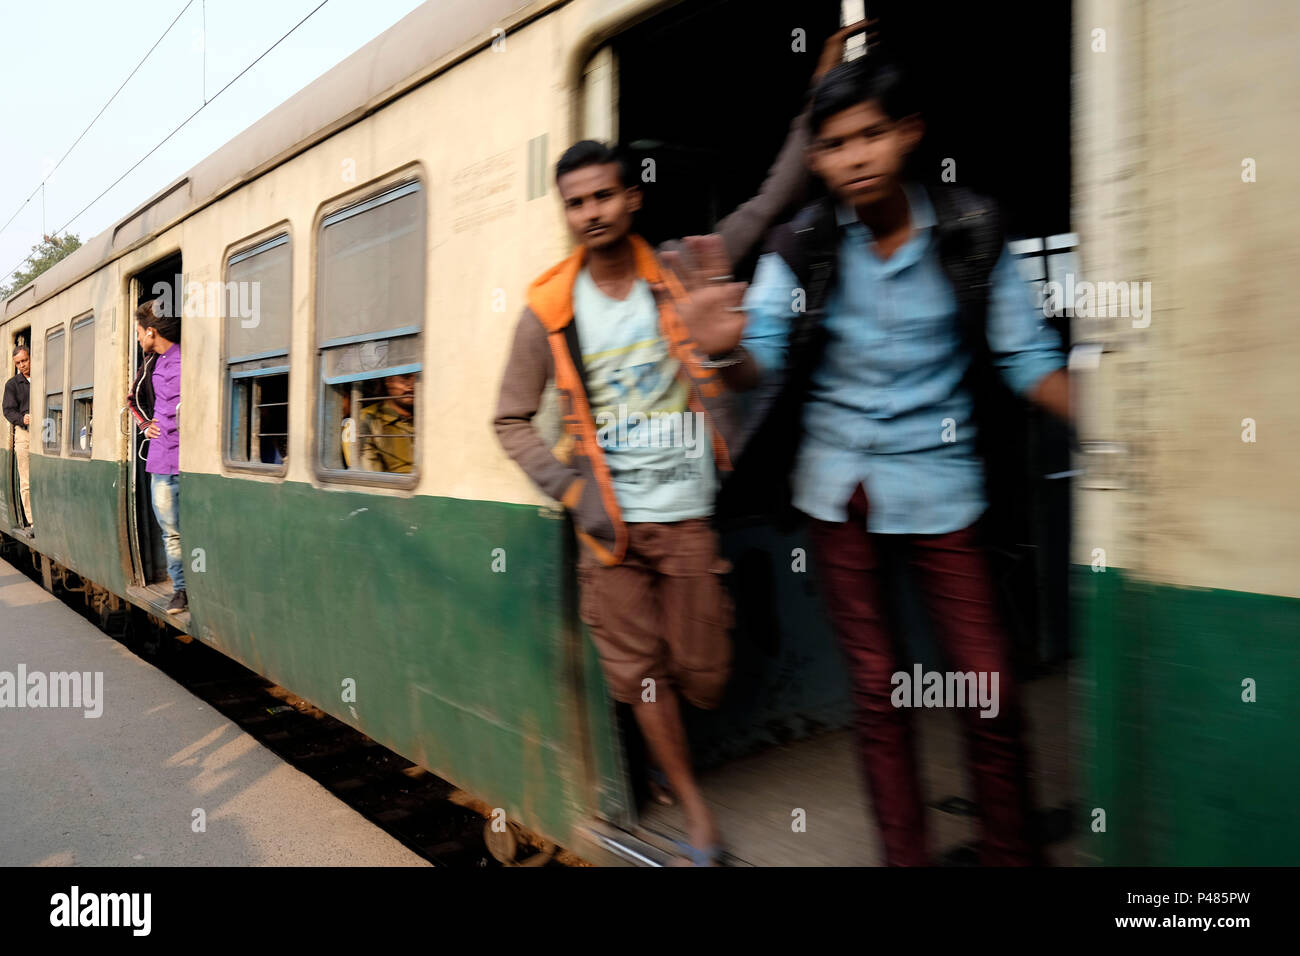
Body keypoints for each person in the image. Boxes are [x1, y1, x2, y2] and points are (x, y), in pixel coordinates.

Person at [492, 24, 871, 865]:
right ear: (567, 211)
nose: (590, 212)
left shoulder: (683, 265)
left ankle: (677, 758)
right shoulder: (546, 308)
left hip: (688, 517)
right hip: (608, 532)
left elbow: (775, 196)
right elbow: (510, 419)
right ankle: (694, 809)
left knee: (704, 674)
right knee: (642, 676)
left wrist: (817, 102)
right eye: (575, 201)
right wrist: (569, 488)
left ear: (631, 199)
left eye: (603, 196)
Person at [698, 56, 1070, 865]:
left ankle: (1013, 853)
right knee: (878, 690)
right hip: (841, 489)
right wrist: (723, 354)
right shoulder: (798, 249)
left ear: (909, 134)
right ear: (819, 157)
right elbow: (755, 359)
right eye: (834, 144)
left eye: (872, 135)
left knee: (990, 689)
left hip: (947, 485)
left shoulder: (972, 229)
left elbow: (1027, 357)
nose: (856, 156)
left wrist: (1118, 422)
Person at [135, 299, 187, 615]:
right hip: (161, 460)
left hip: (192, 459)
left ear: (152, 332)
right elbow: (133, 399)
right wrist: (145, 425)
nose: (139, 339)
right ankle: (180, 591)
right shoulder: (150, 364)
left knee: (190, 528)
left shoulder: (190, 358)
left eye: (140, 333)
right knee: (171, 531)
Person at [360, 373, 415, 474]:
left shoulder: (429, 416)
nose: (411, 384)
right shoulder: (369, 419)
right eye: (405, 377)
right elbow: (371, 479)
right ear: (388, 381)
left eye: (418, 378)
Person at [3, 346, 33, 529]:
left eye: (25, 360)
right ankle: (32, 520)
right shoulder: (12, 385)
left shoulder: (44, 377)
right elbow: (7, 411)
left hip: (47, 430)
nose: (22, 365)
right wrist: (22, 418)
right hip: (24, 433)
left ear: (31, 357)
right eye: (18, 363)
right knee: (26, 479)